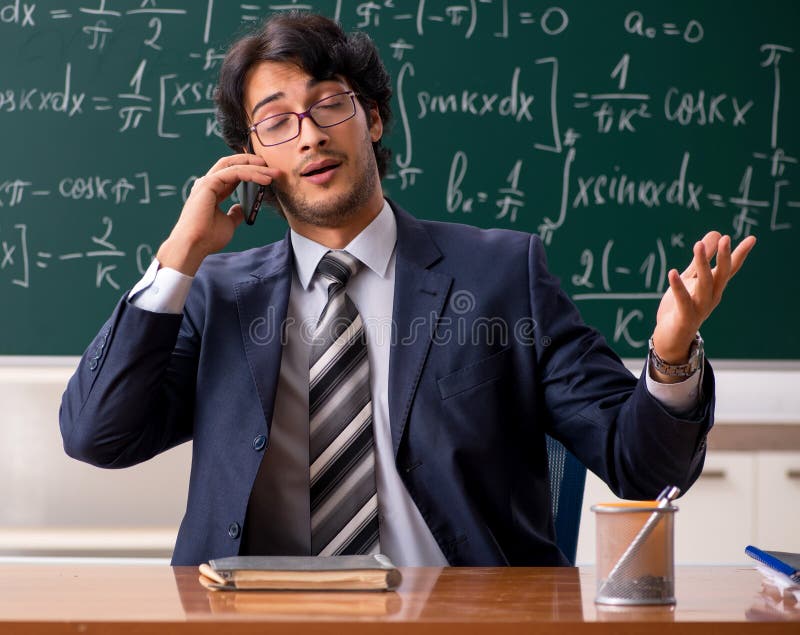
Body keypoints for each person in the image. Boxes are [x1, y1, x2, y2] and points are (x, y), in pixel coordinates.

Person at [59, 12, 756, 567]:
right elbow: (97, 434)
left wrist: (669, 356)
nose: (308, 135)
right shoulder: (218, 295)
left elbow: (640, 467)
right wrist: (178, 257)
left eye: (330, 104)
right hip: (251, 620)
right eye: (276, 120)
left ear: (374, 118)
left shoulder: (503, 275)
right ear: (252, 157)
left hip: (462, 620)